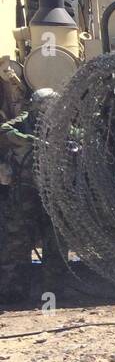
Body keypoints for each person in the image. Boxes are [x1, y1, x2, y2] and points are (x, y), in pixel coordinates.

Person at [0, 89, 66, 305]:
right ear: (35, 106)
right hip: (24, 191)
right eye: (45, 105)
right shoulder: (24, 122)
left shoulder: (61, 123)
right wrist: (29, 140)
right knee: (17, 240)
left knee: (55, 241)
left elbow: (78, 137)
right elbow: (4, 131)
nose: (49, 110)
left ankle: (54, 291)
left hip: (53, 191)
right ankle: (13, 291)